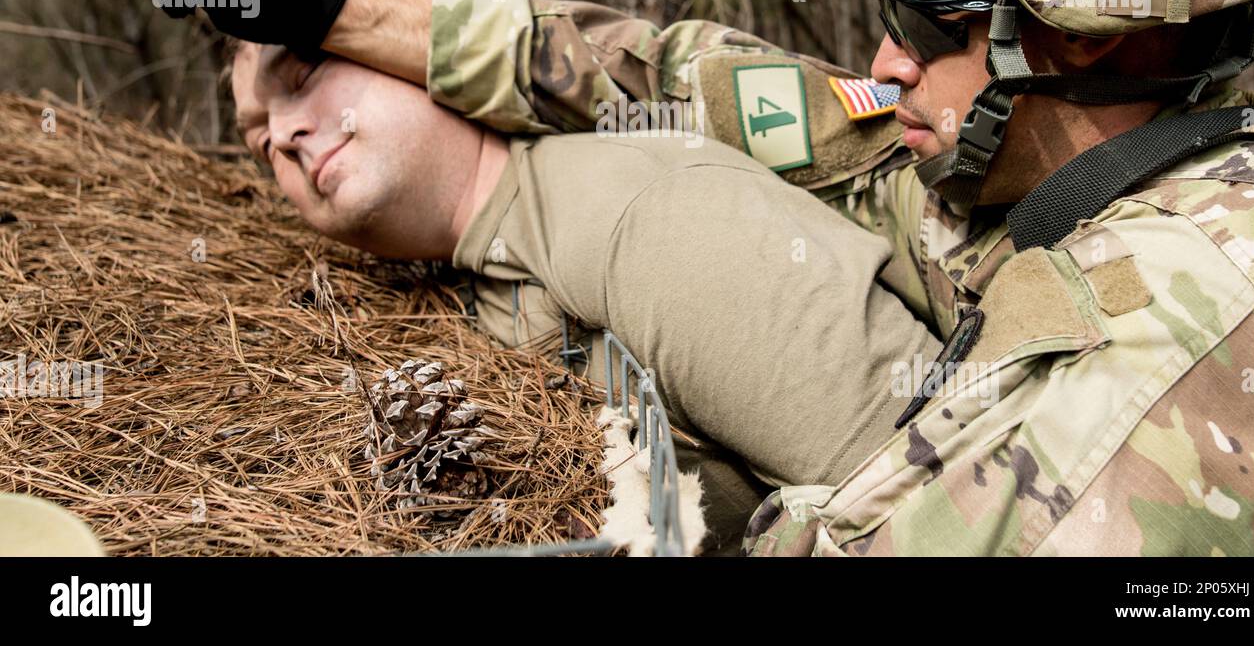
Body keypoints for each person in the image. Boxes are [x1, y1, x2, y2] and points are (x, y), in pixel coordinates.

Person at [154, 0, 1254, 555]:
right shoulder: (1014, 169)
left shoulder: (1191, 318)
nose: (884, 61)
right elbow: (684, 82)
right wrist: (326, 6)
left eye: (917, 15)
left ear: (1077, 28)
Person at [227, 38, 939, 551]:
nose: (284, 136)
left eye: (304, 72)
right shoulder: (485, 263)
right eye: (260, 145)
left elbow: (943, 497)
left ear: (403, 54)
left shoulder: (632, 211)